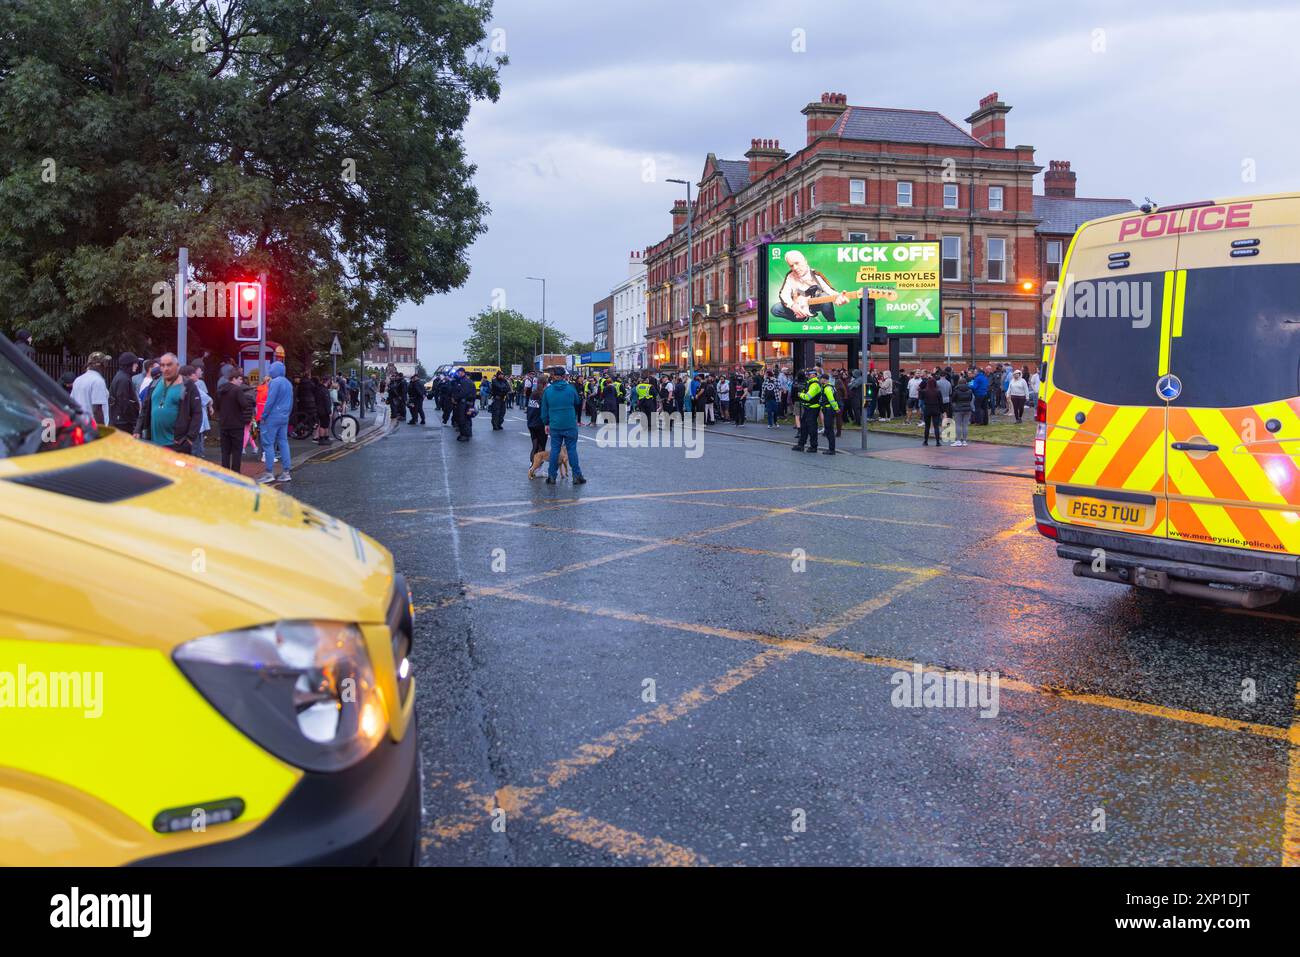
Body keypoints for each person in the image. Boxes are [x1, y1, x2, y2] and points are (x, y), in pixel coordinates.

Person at [134, 354, 203, 454]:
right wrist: (138, 429)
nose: (165, 368)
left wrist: (189, 439)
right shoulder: (155, 383)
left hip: (177, 445)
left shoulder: (188, 386)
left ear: (178, 366)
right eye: (162, 365)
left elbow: (197, 413)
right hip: (154, 444)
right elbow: (145, 408)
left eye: (169, 365)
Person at [540, 369, 586, 485]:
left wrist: (546, 423)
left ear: (554, 376)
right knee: (571, 450)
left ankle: (551, 476)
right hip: (570, 423)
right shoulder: (570, 388)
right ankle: (577, 476)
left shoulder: (548, 391)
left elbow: (544, 410)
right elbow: (577, 401)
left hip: (555, 424)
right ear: (564, 376)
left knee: (555, 450)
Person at [258, 361, 295, 483]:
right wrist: (287, 414)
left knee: (268, 444)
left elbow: (270, 401)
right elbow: (291, 402)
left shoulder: (275, 382)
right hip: (284, 416)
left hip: (272, 417)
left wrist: (263, 416)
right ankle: (286, 472)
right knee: (283, 442)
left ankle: (269, 473)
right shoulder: (288, 383)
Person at [216, 369, 256, 471]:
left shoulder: (221, 389)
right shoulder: (237, 390)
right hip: (236, 424)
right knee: (236, 451)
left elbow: (217, 406)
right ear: (233, 379)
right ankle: (235, 473)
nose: (241, 381)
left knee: (225, 451)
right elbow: (244, 404)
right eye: (239, 379)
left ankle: (225, 472)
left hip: (224, 423)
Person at [70, 353, 111, 426]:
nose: (106, 366)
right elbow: (97, 410)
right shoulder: (98, 381)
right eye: (105, 363)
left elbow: (72, 403)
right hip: (93, 428)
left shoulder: (78, 380)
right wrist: (102, 431)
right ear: (101, 365)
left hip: (80, 425)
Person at [792, 370, 825, 452]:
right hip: (808, 408)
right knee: (804, 427)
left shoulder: (814, 385)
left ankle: (813, 446)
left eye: (809, 374)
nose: (807, 375)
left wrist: (800, 394)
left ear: (814, 375)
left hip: (813, 408)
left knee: (812, 428)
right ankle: (801, 444)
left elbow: (808, 397)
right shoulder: (809, 383)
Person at [109, 352, 140, 432]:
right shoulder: (123, 379)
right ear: (129, 364)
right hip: (123, 423)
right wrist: (133, 421)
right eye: (135, 363)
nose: (137, 365)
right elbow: (123, 403)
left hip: (121, 421)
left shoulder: (122, 377)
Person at [188, 364, 214, 458]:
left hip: (192, 422)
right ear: (190, 375)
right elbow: (208, 399)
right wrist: (210, 406)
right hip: (195, 422)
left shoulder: (192, 386)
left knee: (196, 441)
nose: (200, 373)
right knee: (196, 443)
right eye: (195, 373)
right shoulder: (194, 387)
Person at [921, 375, 944, 447]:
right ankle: (937, 442)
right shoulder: (938, 391)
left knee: (927, 426)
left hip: (927, 408)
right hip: (936, 408)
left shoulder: (925, 391)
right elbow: (941, 402)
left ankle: (925, 441)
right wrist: (942, 410)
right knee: (936, 426)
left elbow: (921, 399)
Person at [819, 373, 840, 454]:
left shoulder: (827, 388)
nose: (820, 380)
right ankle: (831, 449)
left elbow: (831, 399)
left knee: (829, 429)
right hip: (829, 409)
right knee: (828, 429)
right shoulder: (831, 386)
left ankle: (831, 449)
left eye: (820, 379)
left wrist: (836, 408)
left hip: (828, 409)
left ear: (824, 379)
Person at [951, 374, 973, 447]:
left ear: (958, 383)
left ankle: (958, 440)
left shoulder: (956, 390)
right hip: (967, 408)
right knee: (965, 425)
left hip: (958, 408)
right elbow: (970, 399)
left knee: (958, 425)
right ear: (966, 383)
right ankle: (964, 441)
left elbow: (953, 399)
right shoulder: (970, 390)